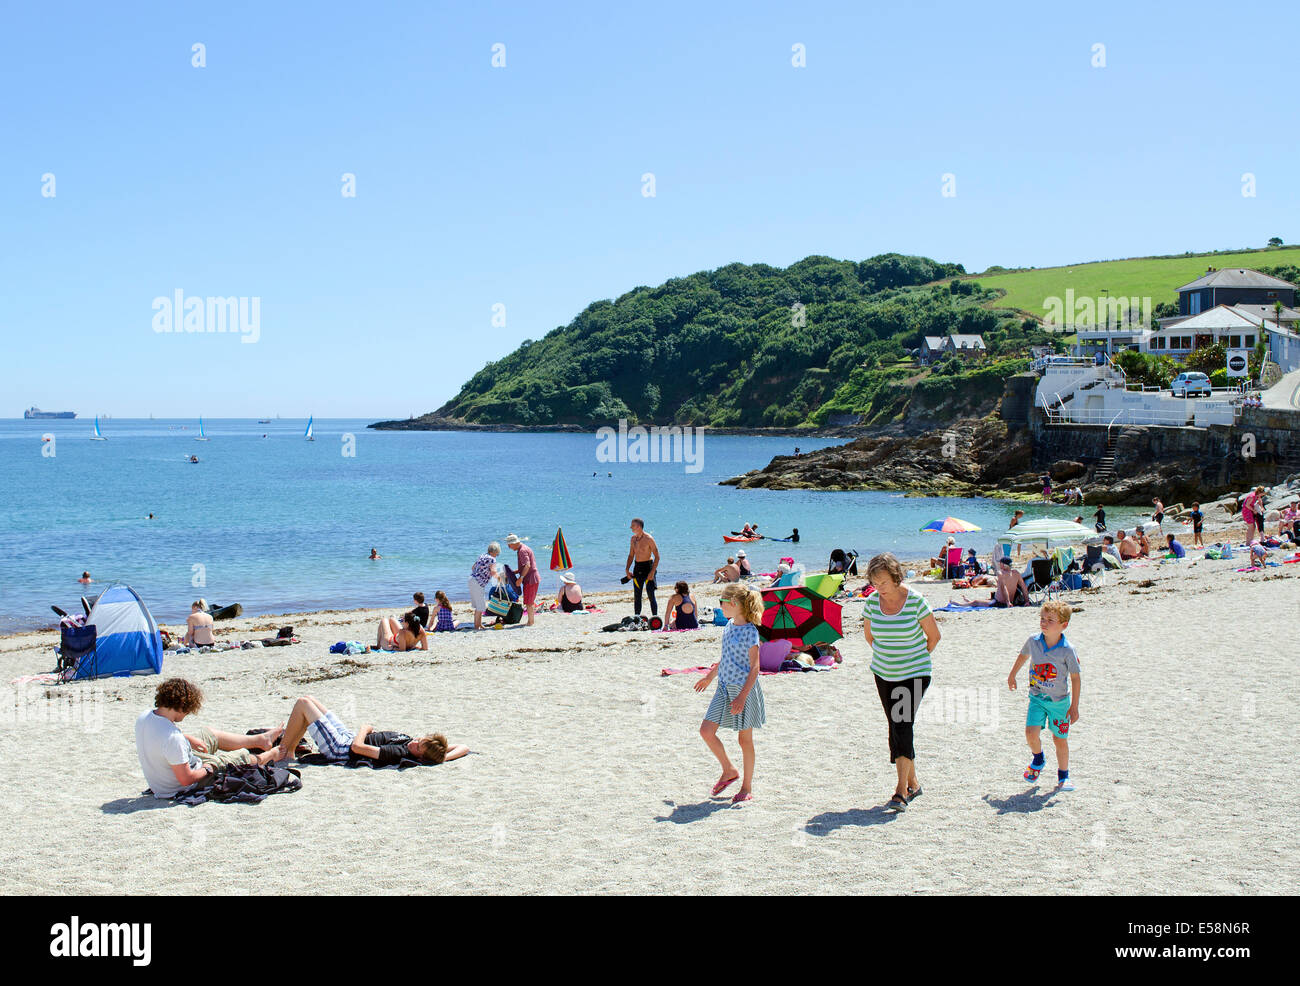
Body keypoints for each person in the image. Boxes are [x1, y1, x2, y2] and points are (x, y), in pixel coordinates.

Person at [862, 553, 940, 812]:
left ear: (896, 577)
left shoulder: (916, 601)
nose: (879, 588)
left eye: (883, 582)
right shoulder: (873, 603)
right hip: (884, 673)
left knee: (903, 725)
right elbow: (869, 637)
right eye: (875, 583)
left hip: (915, 673)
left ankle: (900, 791)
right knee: (895, 727)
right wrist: (890, 658)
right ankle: (914, 782)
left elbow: (934, 637)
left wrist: (912, 659)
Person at [136, 678, 283, 799]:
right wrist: (208, 768)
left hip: (163, 772)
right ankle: (271, 755)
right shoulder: (173, 738)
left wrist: (187, 737)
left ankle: (260, 740)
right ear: (182, 707)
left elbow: (160, 738)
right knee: (238, 756)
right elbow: (186, 779)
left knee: (209, 734)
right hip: (179, 786)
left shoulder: (146, 716)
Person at [693, 583, 765, 805]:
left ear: (733, 603)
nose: (720, 606)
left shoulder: (750, 632)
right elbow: (726, 658)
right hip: (723, 687)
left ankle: (747, 787)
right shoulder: (728, 626)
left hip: (743, 690)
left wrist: (742, 696)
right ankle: (729, 770)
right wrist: (710, 676)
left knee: (744, 740)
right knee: (706, 731)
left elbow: (755, 667)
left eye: (721, 602)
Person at [1007, 600, 1081, 792]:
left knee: (1059, 740)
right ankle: (1038, 758)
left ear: (1063, 625)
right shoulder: (1033, 641)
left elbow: (1075, 678)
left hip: (1059, 703)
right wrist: (1012, 674)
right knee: (1030, 733)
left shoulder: (1068, 650)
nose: (1044, 623)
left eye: (1050, 620)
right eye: (1042, 618)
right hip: (1037, 698)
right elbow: (1023, 656)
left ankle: (1064, 776)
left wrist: (1074, 706)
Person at [270, 696, 468, 766]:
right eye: (421, 739)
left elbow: (358, 748)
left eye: (419, 746)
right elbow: (464, 747)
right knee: (310, 698)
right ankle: (290, 751)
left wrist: (364, 728)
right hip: (347, 737)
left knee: (303, 704)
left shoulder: (399, 752)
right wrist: (442, 758)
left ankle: (283, 751)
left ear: (420, 756)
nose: (415, 742)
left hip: (341, 747)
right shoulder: (414, 744)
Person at [625, 518, 660, 617]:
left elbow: (657, 556)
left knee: (650, 594)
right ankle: (637, 617)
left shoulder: (649, 539)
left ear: (639, 527)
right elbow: (631, 555)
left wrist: (652, 572)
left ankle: (655, 617)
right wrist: (627, 569)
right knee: (637, 595)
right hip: (638, 567)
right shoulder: (633, 539)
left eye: (633, 526)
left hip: (648, 567)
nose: (631, 527)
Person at [505, 533, 540, 627]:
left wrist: (520, 578)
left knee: (529, 602)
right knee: (529, 601)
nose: (509, 547)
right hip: (532, 578)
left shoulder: (522, 551)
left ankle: (530, 622)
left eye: (509, 544)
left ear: (514, 543)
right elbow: (525, 566)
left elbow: (528, 565)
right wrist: (513, 573)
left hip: (530, 579)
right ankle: (530, 621)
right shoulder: (523, 548)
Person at [468, 542, 501, 630]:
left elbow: (473, 567)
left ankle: (479, 624)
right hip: (478, 583)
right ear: (495, 552)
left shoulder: (482, 556)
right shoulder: (492, 559)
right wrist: (499, 578)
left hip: (471, 579)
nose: (497, 555)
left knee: (479, 605)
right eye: (497, 553)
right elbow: (493, 572)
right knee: (481, 606)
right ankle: (476, 626)